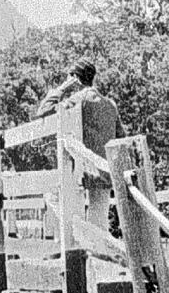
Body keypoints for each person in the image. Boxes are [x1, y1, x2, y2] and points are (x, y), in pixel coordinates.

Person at [33, 59, 121, 226]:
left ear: (75, 78)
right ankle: (93, 248)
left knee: (53, 196)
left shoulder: (77, 99)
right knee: (99, 222)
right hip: (104, 170)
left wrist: (64, 87)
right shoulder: (111, 105)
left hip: (79, 170)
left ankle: (79, 237)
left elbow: (42, 110)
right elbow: (120, 137)